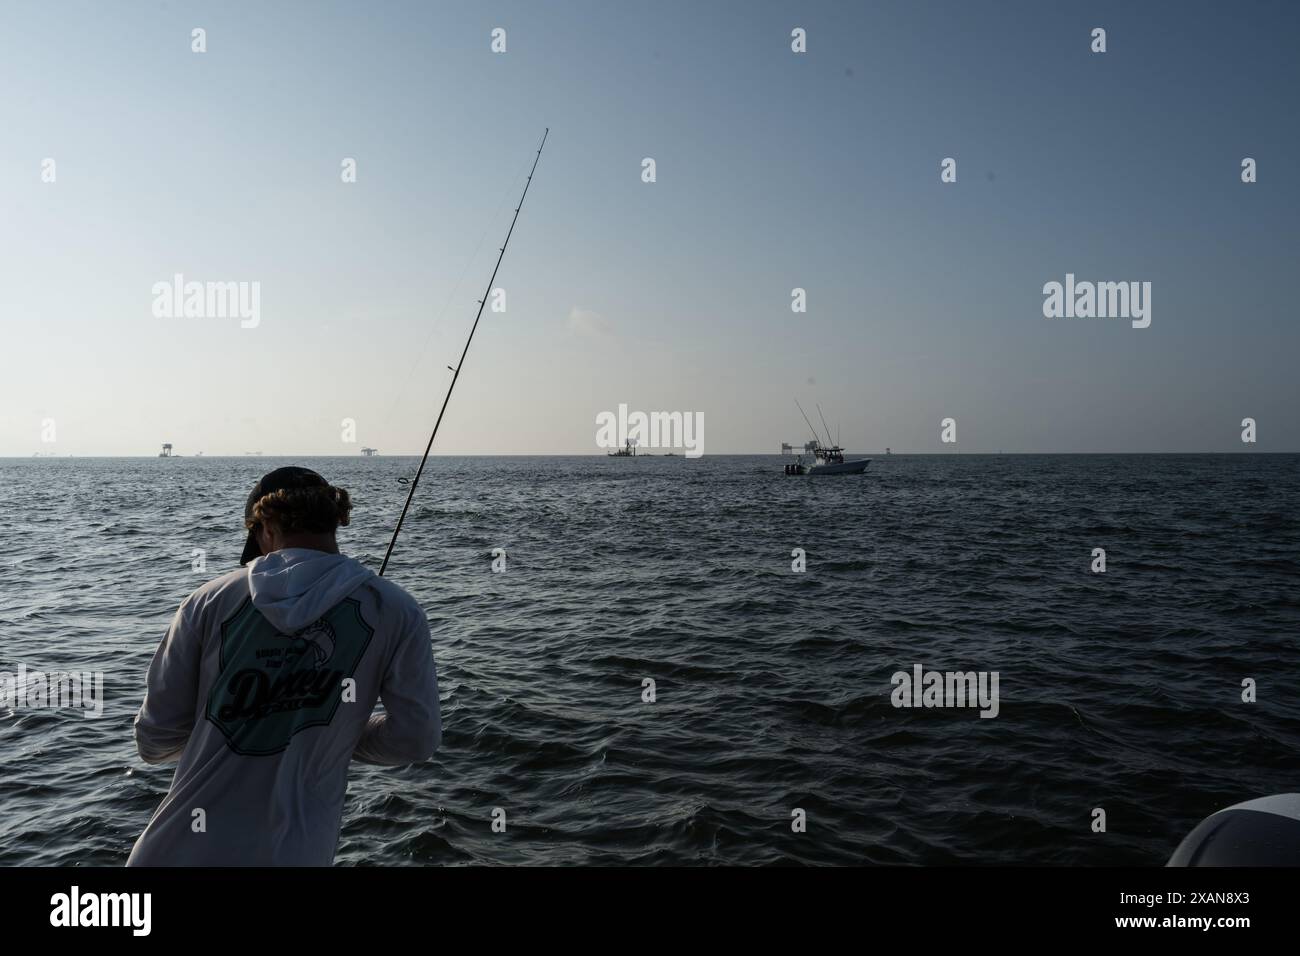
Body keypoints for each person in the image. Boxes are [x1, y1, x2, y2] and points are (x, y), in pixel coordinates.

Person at [127, 466, 441, 866]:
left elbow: (154, 739)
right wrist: (334, 727)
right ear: (333, 523)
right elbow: (415, 739)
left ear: (266, 527)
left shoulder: (206, 602)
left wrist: (239, 724)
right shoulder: (395, 609)